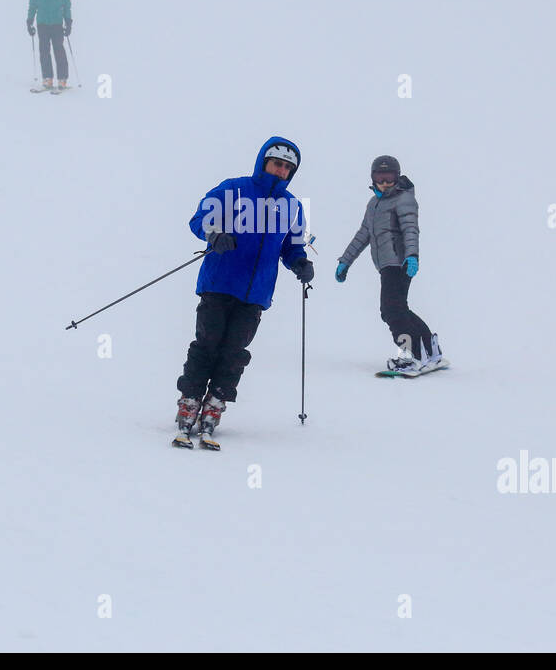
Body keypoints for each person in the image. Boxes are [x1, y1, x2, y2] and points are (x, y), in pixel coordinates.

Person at [173, 137, 312, 449]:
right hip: (219, 283)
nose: (281, 171)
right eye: (277, 163)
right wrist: (215, 234)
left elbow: (292, 246)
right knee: (207, 344)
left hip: (256, 294)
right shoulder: (233, 189)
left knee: (235, 352)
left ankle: (215, 405)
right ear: (263, 161)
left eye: (288, 168)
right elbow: (199, 220)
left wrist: (300, 263)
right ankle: (190, 401)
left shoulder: (292, 206)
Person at [336, 155, 445, 374]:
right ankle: (429, 350)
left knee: (391, 310)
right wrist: (345, 261)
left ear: (397, 177)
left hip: (400, 263)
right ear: (373, 178)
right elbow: (363, 234)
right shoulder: (373, 204)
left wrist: (412, 255)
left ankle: (409, 355)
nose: (385, 183)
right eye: (380, 177)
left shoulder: (403, 199)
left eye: (390, 177)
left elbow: (410, 229)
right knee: (396, 308)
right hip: (386, 265)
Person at [25, 0, 72, 90]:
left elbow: (67, 5)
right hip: (42, 24)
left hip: (56, 24)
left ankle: (62, 79)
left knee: (59, 51)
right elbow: (33, 6)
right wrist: (29, 21)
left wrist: (68, 21)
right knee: (44, 51)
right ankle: (47, 78)